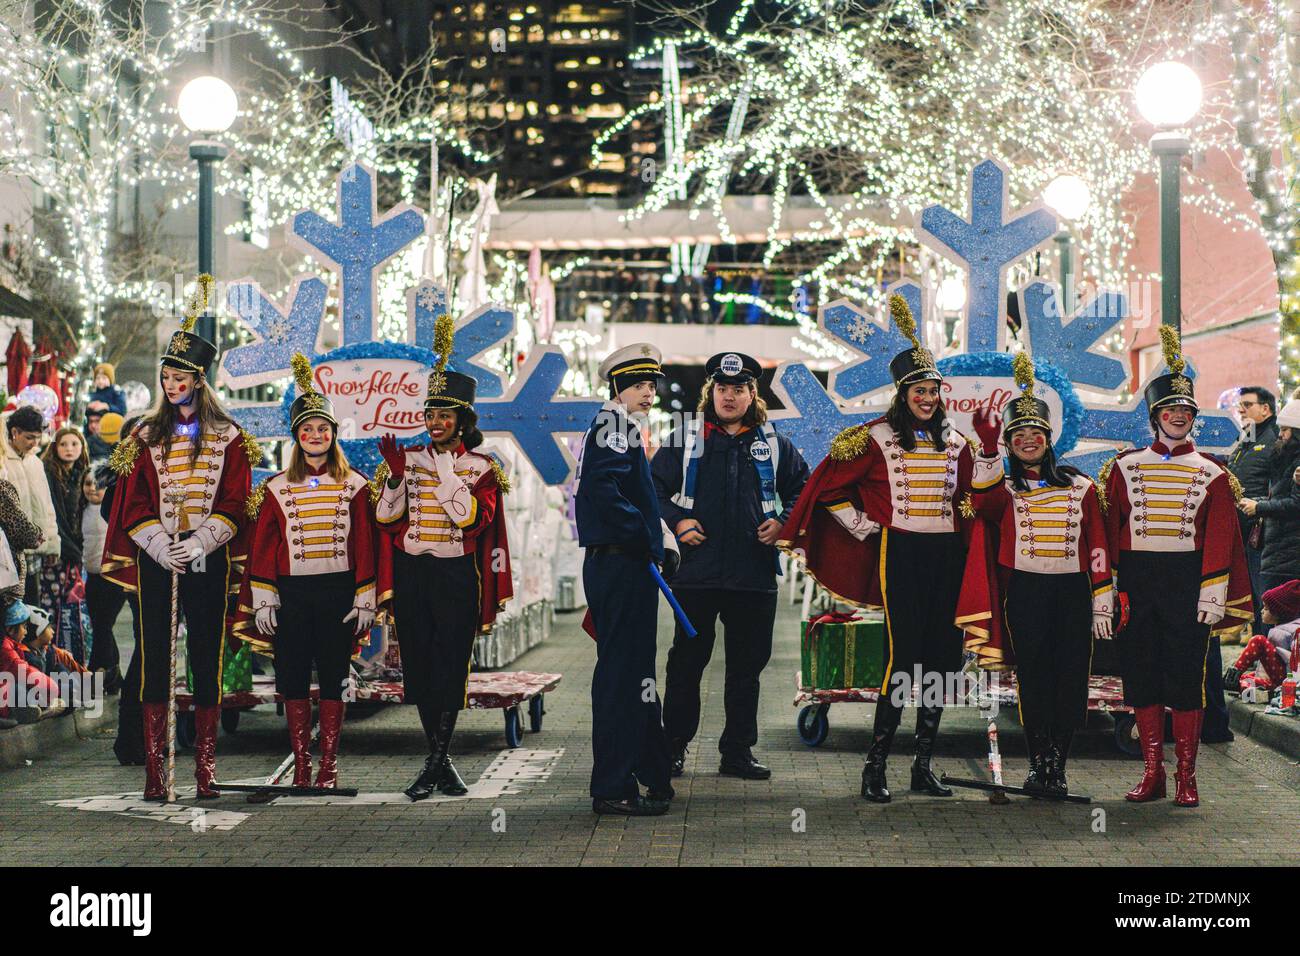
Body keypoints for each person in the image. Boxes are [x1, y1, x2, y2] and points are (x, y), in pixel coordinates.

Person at [778, 294, 987, 803]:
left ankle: (923, 765)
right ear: (903, 392)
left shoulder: (959, 443)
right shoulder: (874, 438)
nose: (927, 398)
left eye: (933, 390)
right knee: (902, 657)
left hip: (947, 559)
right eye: (919, 390)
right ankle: (875, 767)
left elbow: (972, 499)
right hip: (901, 556)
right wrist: (861, 523)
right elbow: (827, 485)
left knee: (941, 659)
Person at [101, 301, 256, 801]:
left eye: (180, 377)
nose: (171, 385)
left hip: (206, 556)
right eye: (166, 376)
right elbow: (132, 502)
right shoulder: (143, 435)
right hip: (157, 558)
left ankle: (205, 769)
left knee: (205, 652)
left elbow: (236, 500)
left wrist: (200, 540)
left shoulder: (229, 436)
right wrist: (158, 544)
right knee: (152, 656)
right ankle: (155, 770)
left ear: (199, 380)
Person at [1102, 326, 1253, 808]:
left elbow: (1221, 537)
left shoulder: (1212, 471)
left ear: (1193, 418)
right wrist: (1106, 590)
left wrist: (1213, 593)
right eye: (1170, 410)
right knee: (1141, 675)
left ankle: (1187, 776)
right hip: (1138, 584)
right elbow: (1108, 530)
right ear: (1155, 416)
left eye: (1185, 411)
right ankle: (1153, 772)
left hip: (1188, 583)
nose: (1178, 417)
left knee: (1187, 679)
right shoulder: (1124, 467)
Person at [955, 353, 1114, 796]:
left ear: (1049, 439)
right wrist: (986, 450)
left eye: (1035, 434)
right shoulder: (1003, 490)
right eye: (1018, 435)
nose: (1028, 441)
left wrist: (1102, 596)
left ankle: (1057, 765)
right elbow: (981, 505)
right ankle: (1036, 762)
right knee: (1034, 678)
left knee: (1069, 678)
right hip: (1024, 591)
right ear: (1009, 443)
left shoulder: (1081, 486)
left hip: (1072, 592)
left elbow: (1097, 545)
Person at [651, 351, 809, 780]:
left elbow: (803, 488)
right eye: (722, 388)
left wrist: (782, 523)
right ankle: (674, 747)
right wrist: (678, 521)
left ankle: (737, 752)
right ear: (712, 392)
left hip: (753, 576)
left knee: (746, 670)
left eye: (739, 389)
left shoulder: (775, 443)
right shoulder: (684, 440)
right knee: (685, 665)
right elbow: (651, 490)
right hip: (694, 575)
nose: (729, 396)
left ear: (751, 394)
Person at [232, 354, 387, 788]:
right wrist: (264, 598)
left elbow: (364, 544)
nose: (315, 435)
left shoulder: (356, 484)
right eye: (307, 429)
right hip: (291, 594)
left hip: (339, 592)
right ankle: (302, 765)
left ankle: (330, 768)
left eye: (322, 429)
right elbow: (265, 545)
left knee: (336, 675)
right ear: (297, 437)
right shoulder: (276, 487)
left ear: (333, 435)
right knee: (294, 676)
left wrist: (364, 597)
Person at [374, 317, 512, 801]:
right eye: (429, 414)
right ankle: (440, 761)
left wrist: (448, 474)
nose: (434, 422)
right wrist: (393, 479)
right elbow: (386, 518)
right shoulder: (408, 459)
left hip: (456, 575)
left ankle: (434, 761)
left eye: (444, 415)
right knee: (419, 664)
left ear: (462, 420)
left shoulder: (482, 468)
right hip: (414, 575)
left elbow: (470, 519)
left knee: (451, 665)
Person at [576, 342, 680, 816]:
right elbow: (605, 489)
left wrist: (658, 545)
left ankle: (649, 772)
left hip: (625, 563)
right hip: (620, 563)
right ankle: (614, 787)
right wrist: (645, 540)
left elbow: (628, 496)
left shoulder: (621, 427)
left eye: (652, 385)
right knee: (623, 678)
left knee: (636, 675)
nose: (649, 393)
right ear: (618, 386)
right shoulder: (614, 426)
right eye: (640, 385)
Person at [1228, 385, 1278, 634]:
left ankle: (1267, 656)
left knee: (1264, 596)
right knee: (1251, 594)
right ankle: (1258, 648)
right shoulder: (1246, 437)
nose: (1241, 409)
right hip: (1244, 528)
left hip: (1264, 529)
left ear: (1266, 409)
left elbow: (1279, 486)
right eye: (1240, 405)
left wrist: (1258, 504)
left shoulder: (1275, 438)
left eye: (1247, 405)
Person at [1237, 397, 1300, 595]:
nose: (1279, 435)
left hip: (1288, 556)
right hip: (1277, 552)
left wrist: (1259, 507)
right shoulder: (1286, 461)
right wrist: (1259, 502)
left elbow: (1295, 504)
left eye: (1285, 430)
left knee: (1275, 617)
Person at [40, 426, 91, 668]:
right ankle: (53, 666)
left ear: (82, 448)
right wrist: (72, 551)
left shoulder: (85, 475)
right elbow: (55, 518)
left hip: (79, 554)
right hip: (57, 554)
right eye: (63, 444)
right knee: (52, 611)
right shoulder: (48, 473)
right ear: (55, 447)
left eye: (74, 444)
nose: (69, 449)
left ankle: (74, 666)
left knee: (74, 612)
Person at [4, 405, 61, 604]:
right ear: (14, 432)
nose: (34, 443)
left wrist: (52, 543)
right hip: (9, 553)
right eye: (29, 437)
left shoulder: (35, 462)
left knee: (33, 608)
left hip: (35, 551)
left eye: (38, 437)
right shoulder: (3, 463)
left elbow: (46, 505)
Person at [82, 465, 122, 694]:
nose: (93, 489)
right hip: (93, 576)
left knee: (103, 625)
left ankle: (97, 672)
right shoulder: (82, 509)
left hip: (113, 577)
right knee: (101, 625)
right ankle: (113, 674)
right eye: (88, 484)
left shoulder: (112, 511)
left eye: (99, 485)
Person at [1224, 580, 1300, 693]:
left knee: (1258, 640)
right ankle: (1237, 684)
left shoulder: (1295, 631)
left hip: (1287, 681)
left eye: (1266, 608)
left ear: (1279, 612)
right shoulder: (1280, 628)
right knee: (1248, 678)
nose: (1262, 611)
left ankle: (1234, 675)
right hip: (1275, 677)